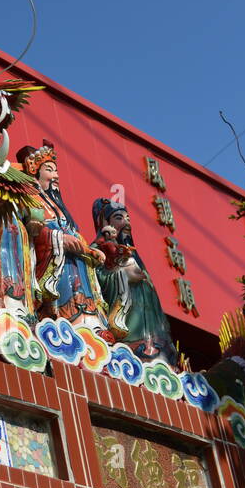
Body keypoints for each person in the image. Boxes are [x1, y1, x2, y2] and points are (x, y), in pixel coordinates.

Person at [16, 141, 112, 338]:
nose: (56, 176)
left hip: (76, 261)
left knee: (82, 272)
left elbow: (75, 234)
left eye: (56, 171)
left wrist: (91, 250)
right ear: (36, 172)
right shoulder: (32, 199)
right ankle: (67, 318)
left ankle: (90, 320)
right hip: (54, 258)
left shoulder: (58, 206)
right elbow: (34, 232)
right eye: (50, 170)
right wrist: (58, 239)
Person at [91, 198, 176, 364]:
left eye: (128, 218)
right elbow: (96, 278)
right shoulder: (99, 247)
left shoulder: (134, 254)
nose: (126, 223)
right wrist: (121, 273)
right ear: (105, 223)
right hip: (130, 335)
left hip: (153, 332)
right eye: (119, 218)